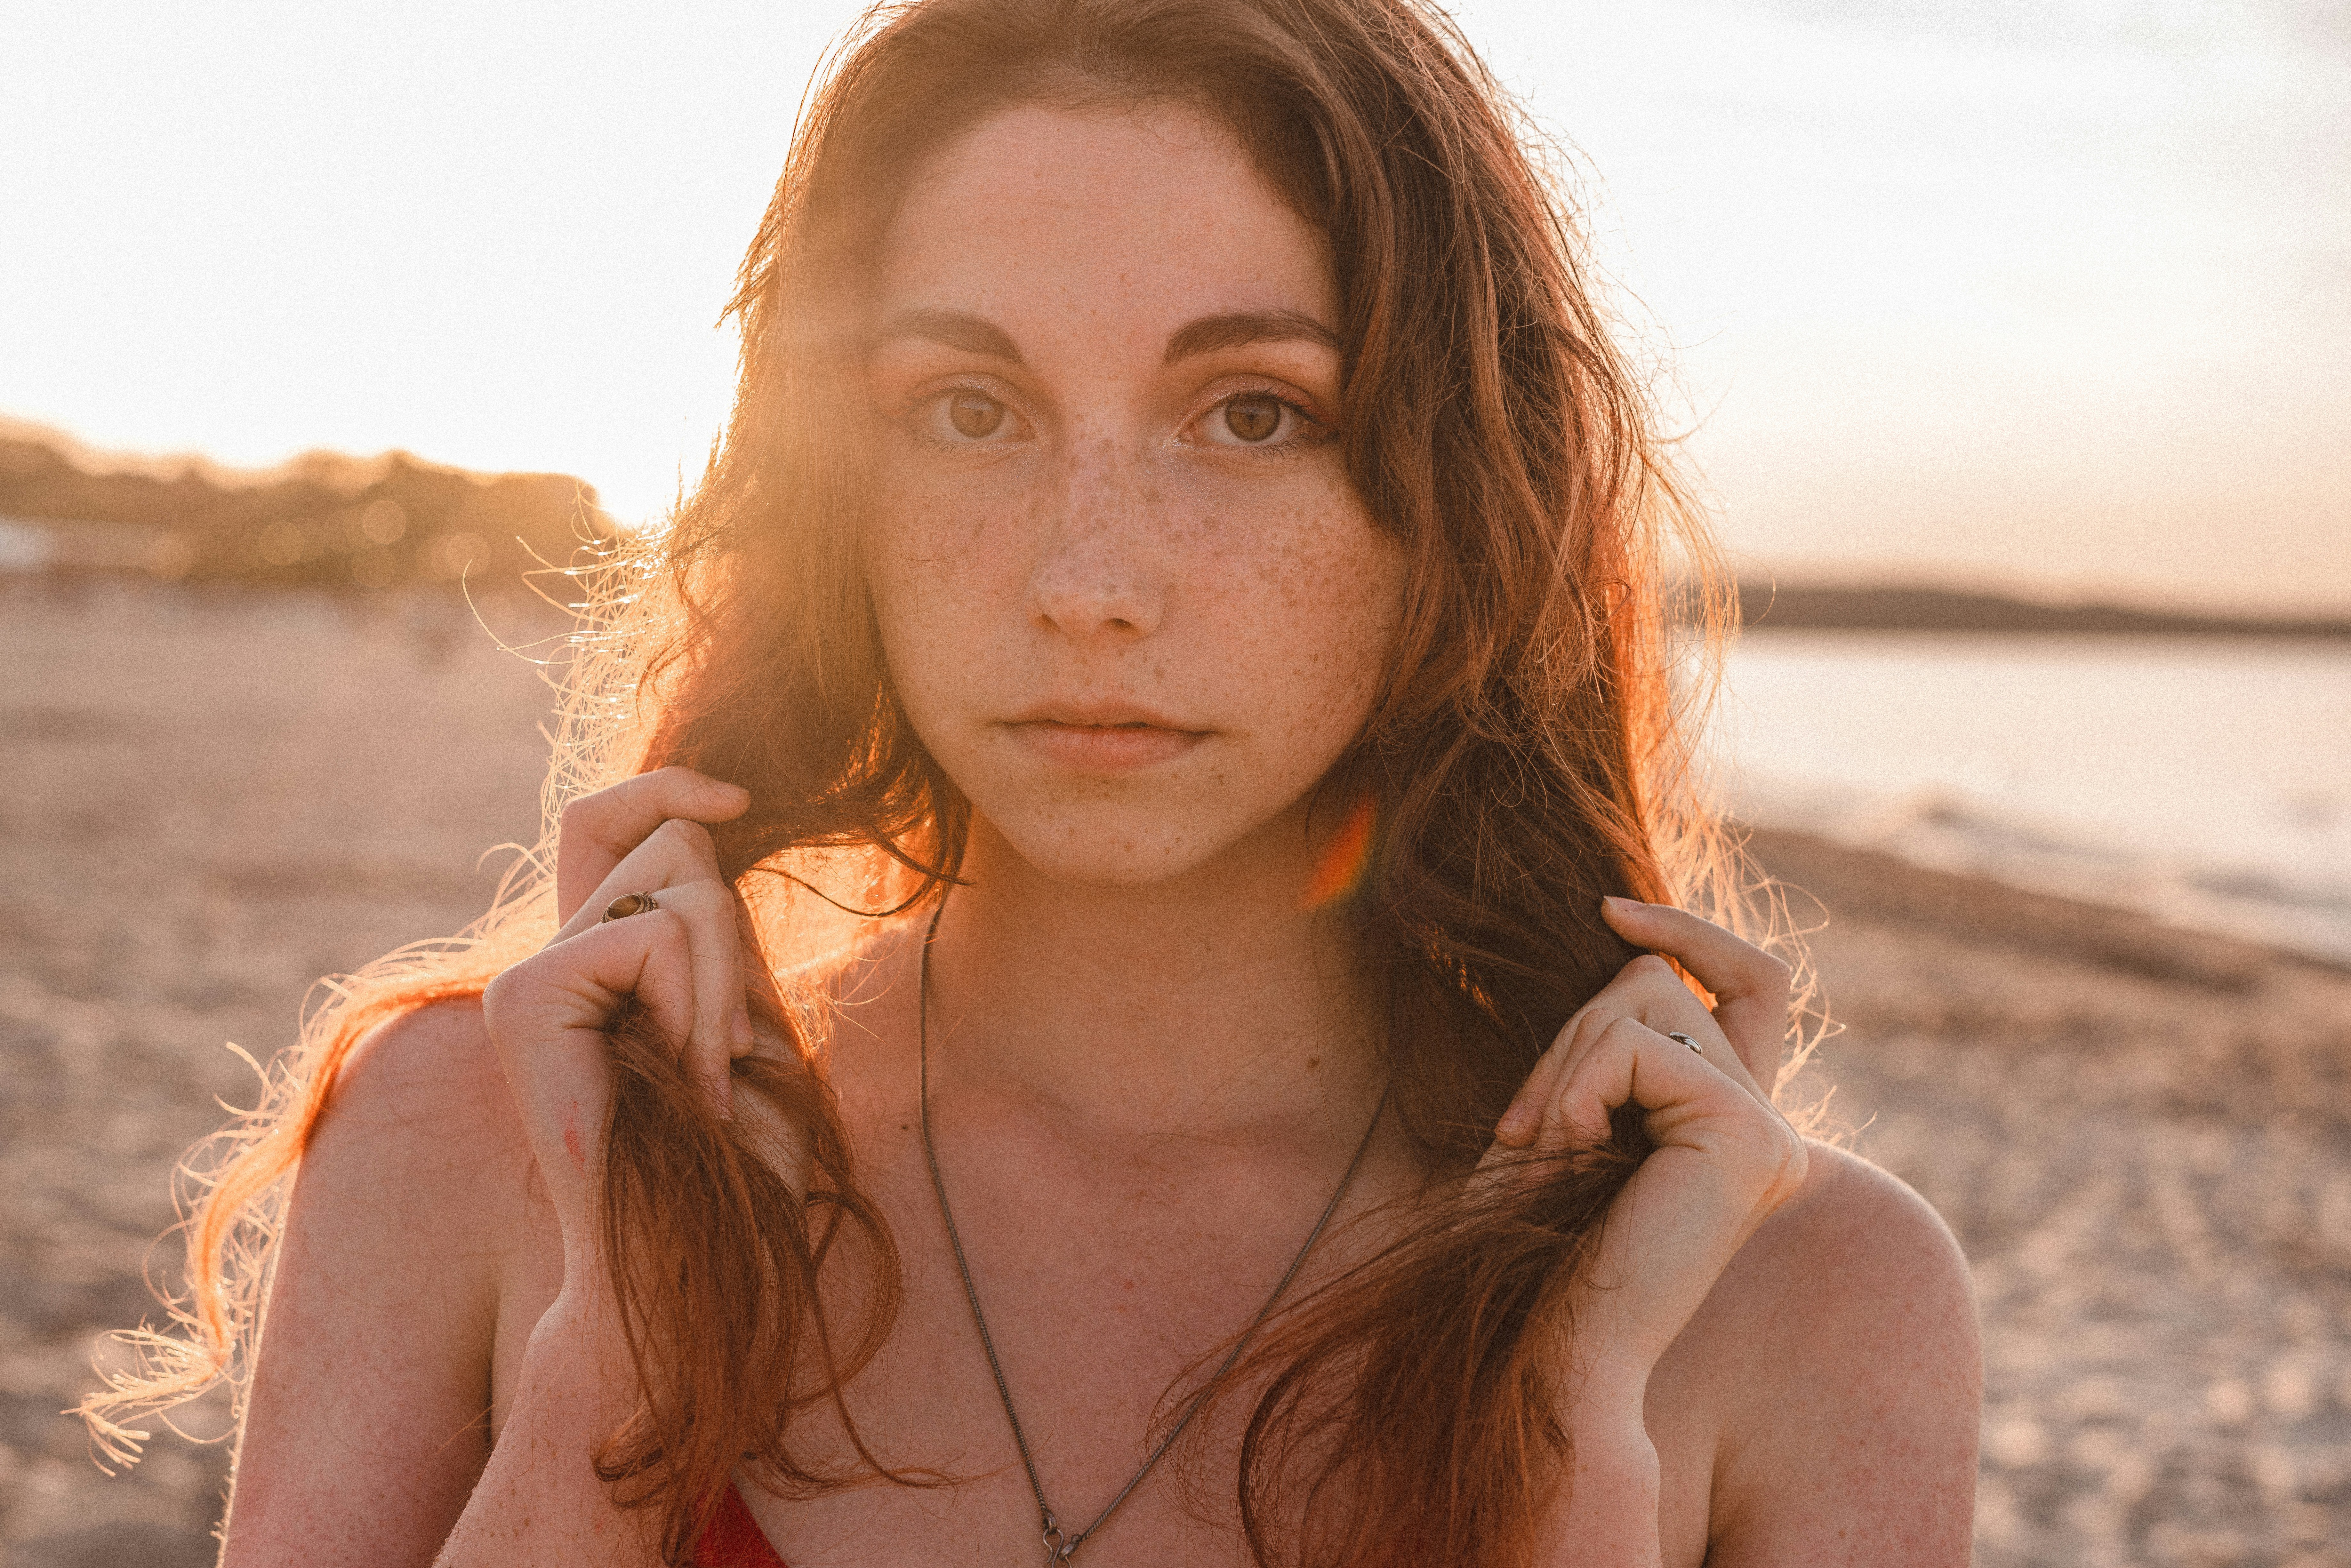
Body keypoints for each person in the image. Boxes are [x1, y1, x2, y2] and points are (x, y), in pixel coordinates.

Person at [85, 1, 1981, 1562]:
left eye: (1253, 414)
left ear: (1460, 496)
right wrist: (610, 1404)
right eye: (965, 411)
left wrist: (1567, 1459)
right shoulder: (478, 1143)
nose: (1088, 584)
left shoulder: (1792, 1296)